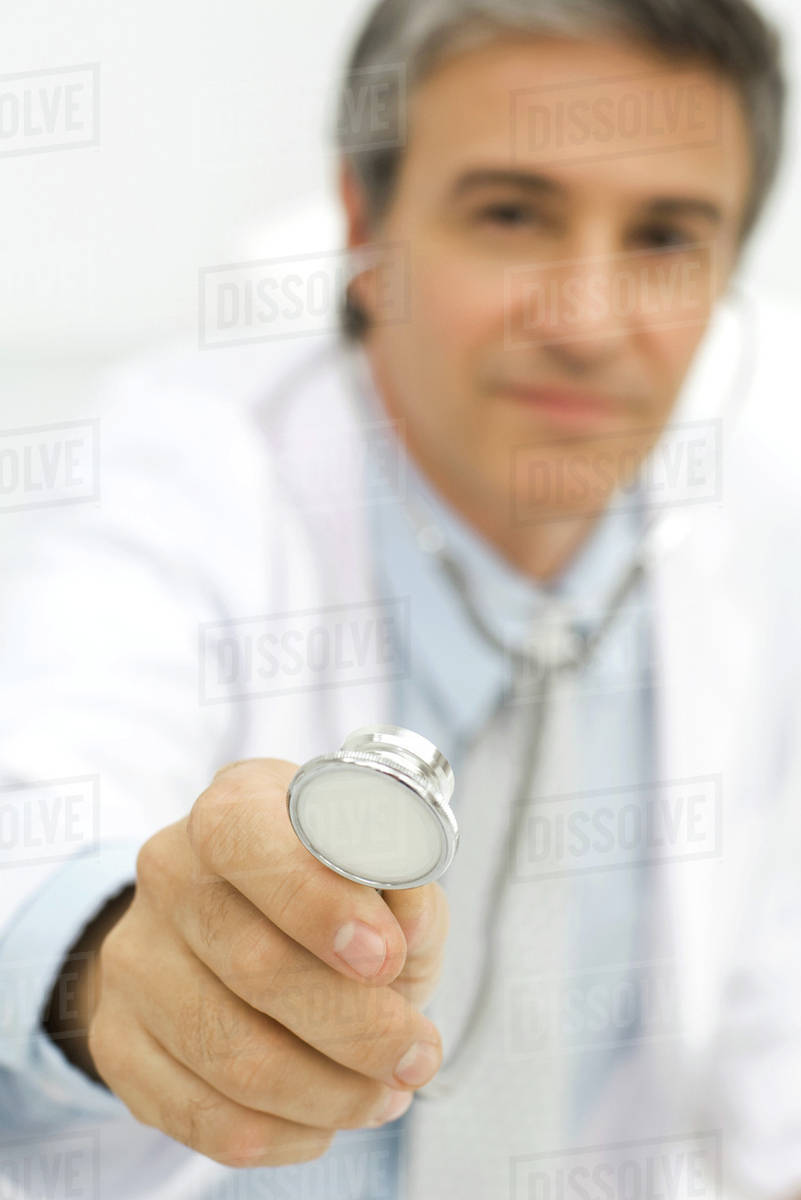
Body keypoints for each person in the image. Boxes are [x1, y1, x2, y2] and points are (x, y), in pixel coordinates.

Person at [1, 0, 799, 1196]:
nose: (586, 321)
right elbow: (37, 814)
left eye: (666, 236)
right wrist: (122, 974)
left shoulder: (754, 534)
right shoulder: (176, 472)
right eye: (513, 214)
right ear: (367, 227)